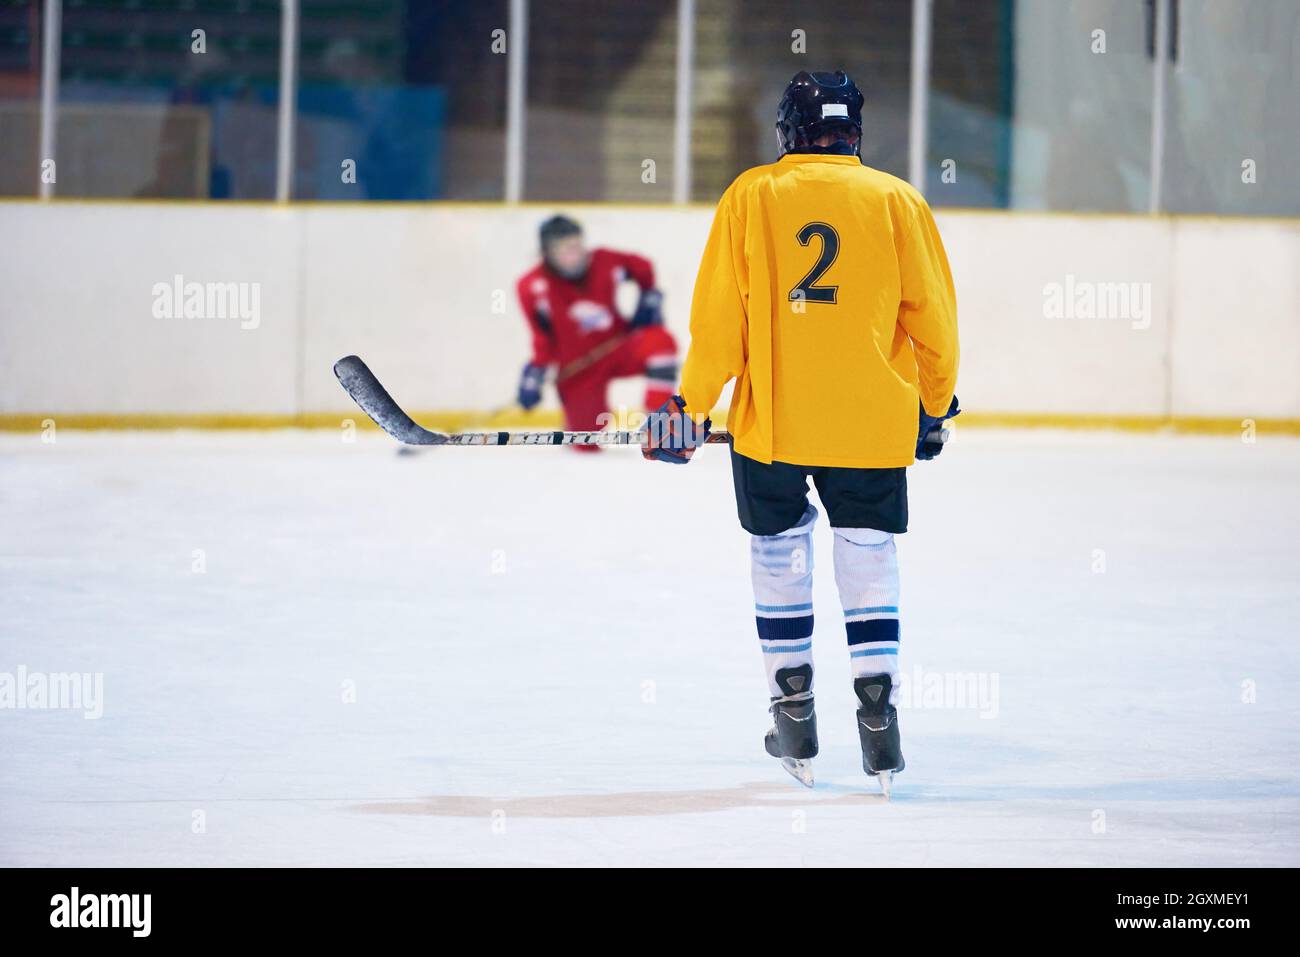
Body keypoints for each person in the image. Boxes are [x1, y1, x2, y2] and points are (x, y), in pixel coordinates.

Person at [643, 71, 960, 795]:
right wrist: (934, 406)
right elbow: (934, 321)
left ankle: (793, 713)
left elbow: (719, 326)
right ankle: (878, 715)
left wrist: (689, 407)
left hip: (773, 429)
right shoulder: (897, 200)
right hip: (872, 425)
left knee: (780, 551)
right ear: (857, 130)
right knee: (867, 550)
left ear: (788, 128)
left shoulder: (751, 195)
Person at [515, 215, 678, 451]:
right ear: (547, 253)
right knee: (585, 442)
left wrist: (649, 296)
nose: (575, 253)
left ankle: (659, 422)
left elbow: (643, 267)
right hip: (578, 368)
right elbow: (542, 336)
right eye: (564, 249)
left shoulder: (605, 262)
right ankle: (574, 420)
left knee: (660, 341)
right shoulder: (531, 286)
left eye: (577, 244)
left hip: (619, 346)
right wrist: (536, 371)